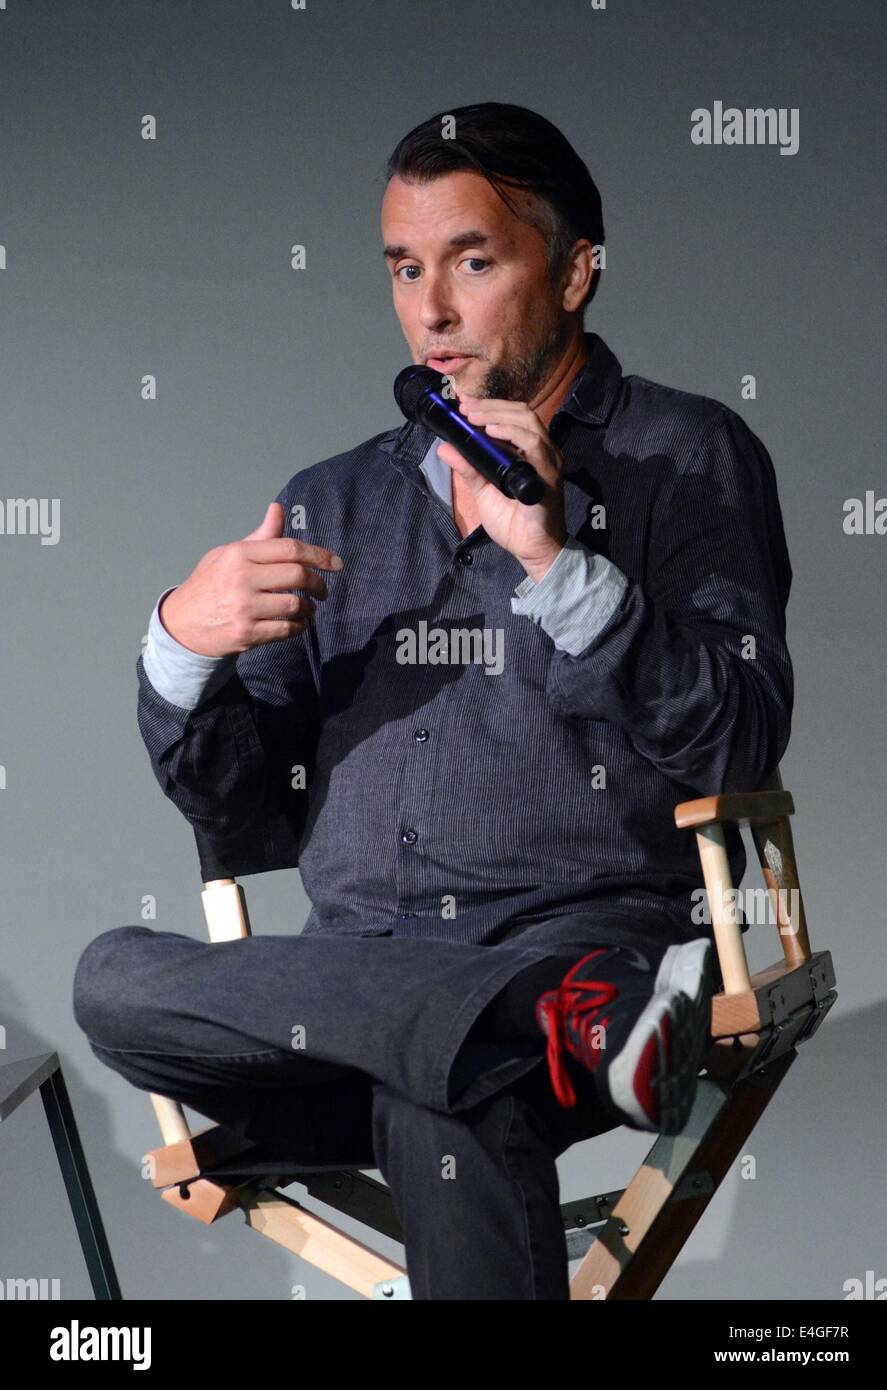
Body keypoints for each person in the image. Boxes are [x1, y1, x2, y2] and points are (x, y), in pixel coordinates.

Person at [72, 101, 793, 1300]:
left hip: (579, 935)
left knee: (448, 1098)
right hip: (375, 990)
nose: (432, 311)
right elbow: (242, 806)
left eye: (472, 260)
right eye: (406, 268)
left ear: (572, 272)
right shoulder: (334, 498)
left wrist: (558, 569)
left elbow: (736, 735)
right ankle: (544, 1019)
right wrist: (178, 645)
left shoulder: (686, 452)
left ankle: (525, 1014)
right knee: (112, 975)